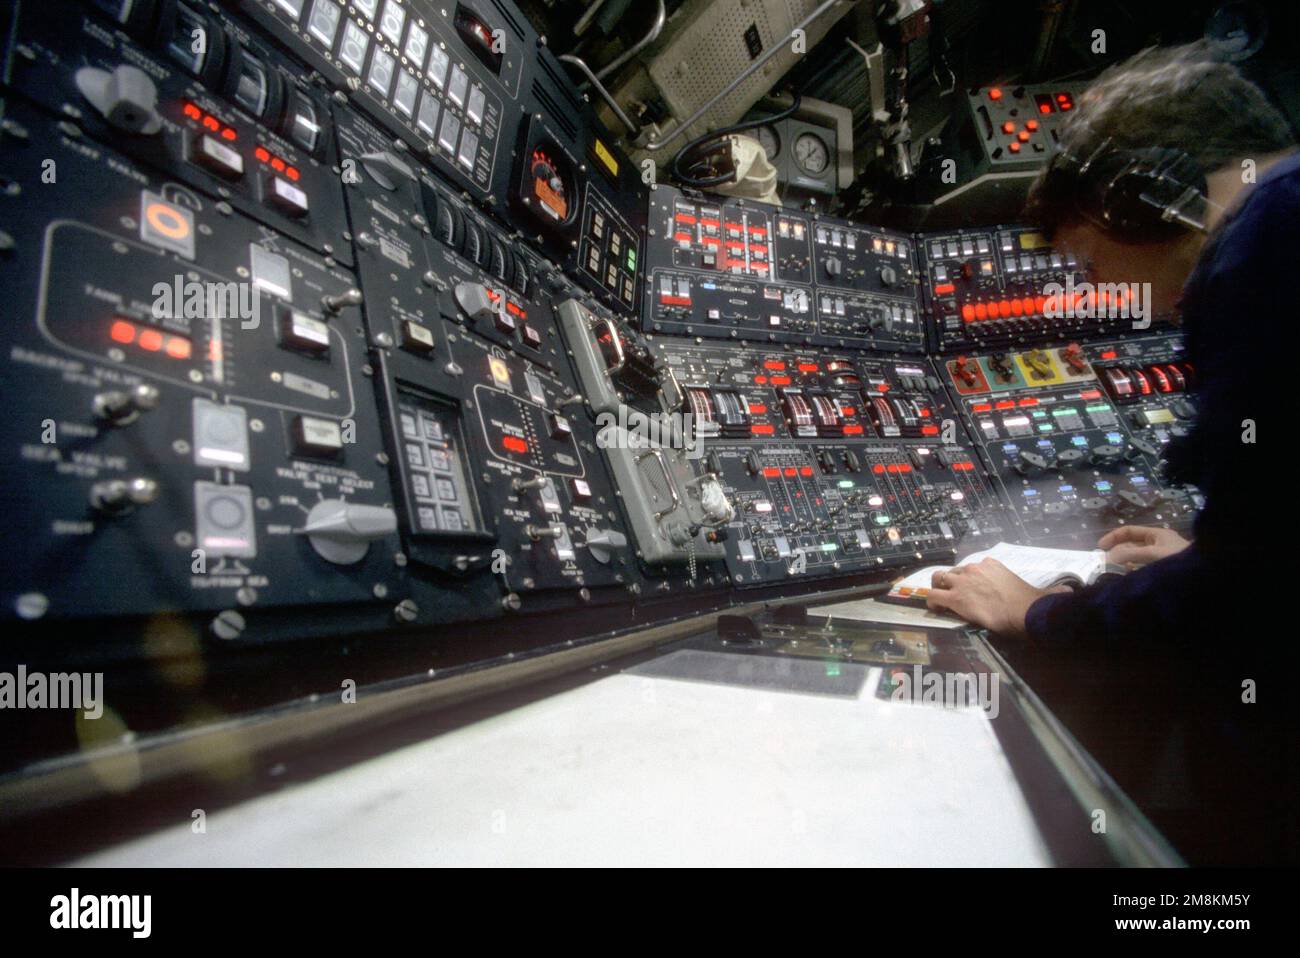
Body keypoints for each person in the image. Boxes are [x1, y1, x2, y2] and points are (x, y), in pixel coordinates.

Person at [924, 42, 1297, 864]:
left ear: (1145, 196)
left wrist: (1040, 612)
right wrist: (1209, 554)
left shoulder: (1264, 244)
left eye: (1091, 263)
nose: (1152, 308)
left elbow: (1251, 595)